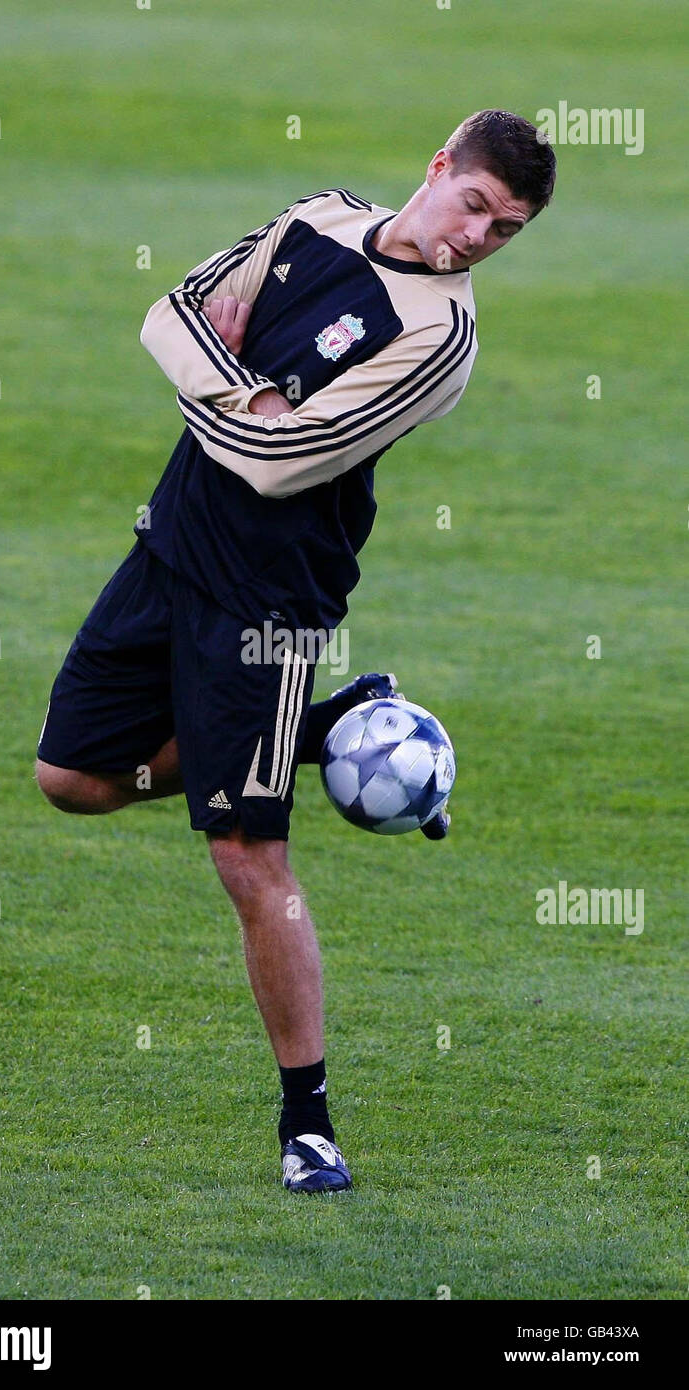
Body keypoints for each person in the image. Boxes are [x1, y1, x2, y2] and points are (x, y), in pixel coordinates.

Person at [35, 109, 556, 1192]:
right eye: (474, 206)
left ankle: (307, 1123)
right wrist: (238, 383)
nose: (476, 240)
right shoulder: (319, 217)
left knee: (245, 853)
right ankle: (322, 729)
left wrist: (218, 369)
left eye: (504, 232)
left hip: (268, 605)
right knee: (72, 779)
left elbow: (279, 463)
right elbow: (166, 314)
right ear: (438, 168)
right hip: (170, 544)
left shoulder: (437, 341)